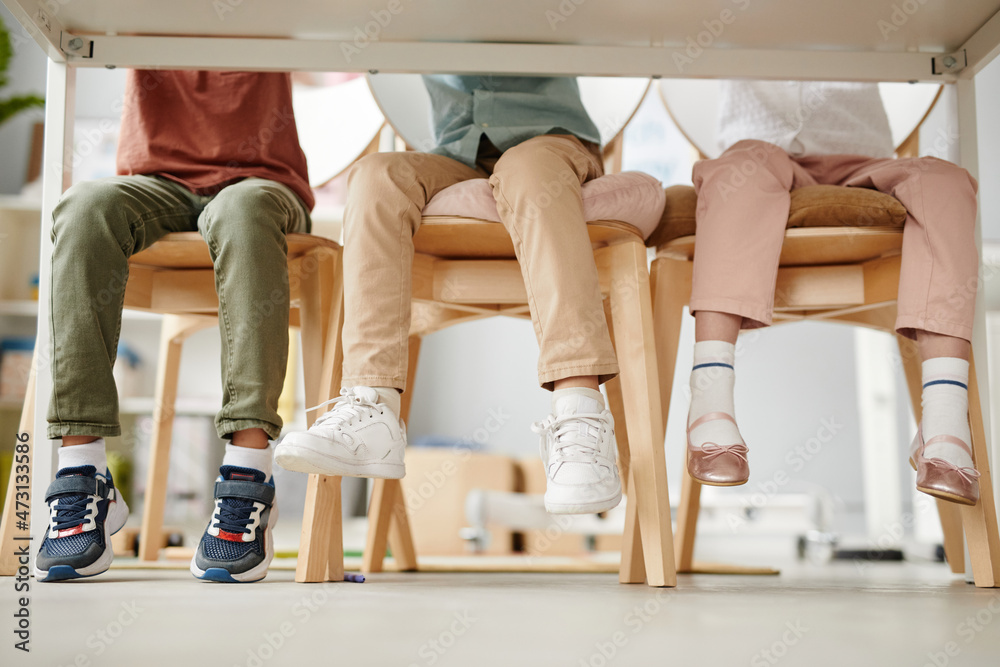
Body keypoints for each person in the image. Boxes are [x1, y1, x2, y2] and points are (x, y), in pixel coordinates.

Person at [276, 75, 622, 515]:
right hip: (455, 151)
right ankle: (372, 404)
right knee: (376, 175)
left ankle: (580, 411)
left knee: (528, 169)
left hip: (551, 143)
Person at [36, 70, 314, 583]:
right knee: (83, 208)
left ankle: (248, 467)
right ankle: (83, 469)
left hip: (261, 183)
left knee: (244, 209)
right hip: (155, 181)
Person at [684, 81, 981, 506]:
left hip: (864, 159)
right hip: (758, 153)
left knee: (946, 184)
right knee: (733, 175)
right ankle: (709, 401)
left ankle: (946, 418)